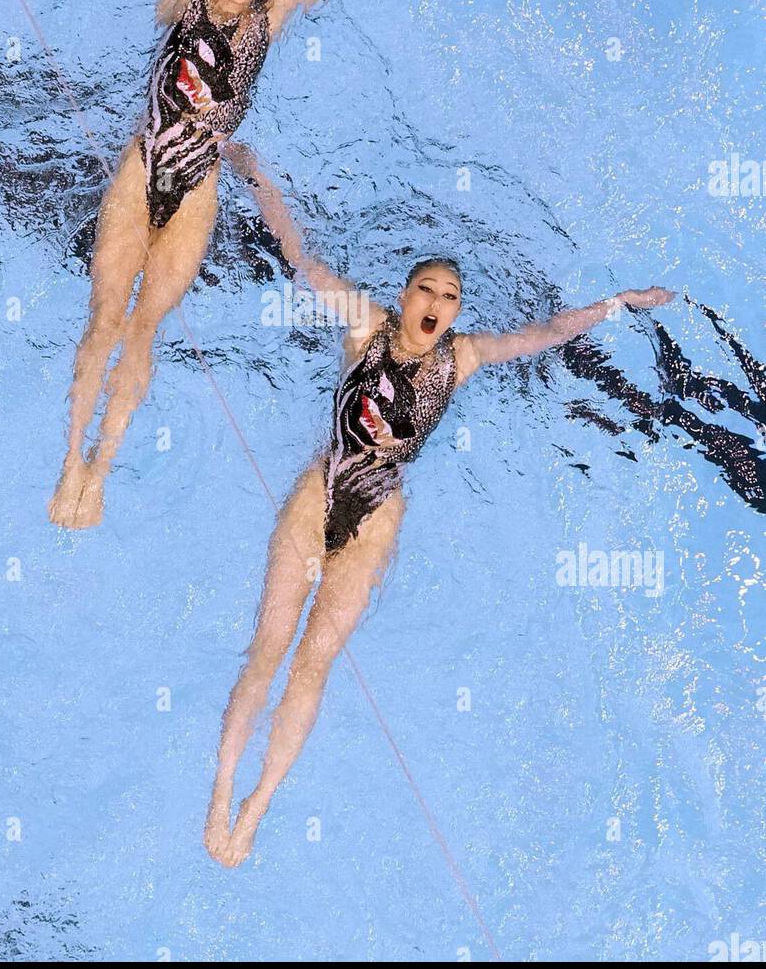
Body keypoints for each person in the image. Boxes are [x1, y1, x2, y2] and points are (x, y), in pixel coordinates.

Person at [47, 0, 487, 528]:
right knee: (105, 316)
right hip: (143, 166)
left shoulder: (276, 12)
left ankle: (102, 470)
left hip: (199, 187)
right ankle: (69, 454)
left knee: (146, 324)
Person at [204, 142, 675, 865]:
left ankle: (258, 803)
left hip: (375, 517)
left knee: (313, 665)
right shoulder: (363, 325)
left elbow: (546, 333)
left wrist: (620, 302)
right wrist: (250, 170)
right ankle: (220, 792)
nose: (436, 304)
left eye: (449, 297)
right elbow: (296, 254)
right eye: (426, 288)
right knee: (267, 651)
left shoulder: (462, 358)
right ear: (404, 295)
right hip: (317, 494)